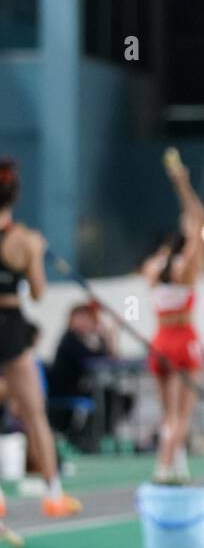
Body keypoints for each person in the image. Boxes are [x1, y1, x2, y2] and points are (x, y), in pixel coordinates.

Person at [0, 157, 82, 518]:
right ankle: (53, 494)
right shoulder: (27, 240)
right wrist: (35, 254)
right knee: (34, 412)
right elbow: (37, 293)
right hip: (12, 324)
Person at [141, 152, 204, 484]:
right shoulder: (186, 268)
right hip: (183, 340)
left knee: (167, 412)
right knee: (182, 414)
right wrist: (182, 183)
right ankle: (163, 468)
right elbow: (199, 219)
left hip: (159, 342)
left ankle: (176, 465)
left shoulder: (153, 268)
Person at [49, 302, 132, 451]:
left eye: (87, 318)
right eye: (80, 318)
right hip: (66, 389)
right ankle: (86, 437)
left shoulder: (86, 340)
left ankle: (95, 435)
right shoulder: (70, 340)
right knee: (106, 398)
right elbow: (95, 358)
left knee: (122, 398)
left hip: (81, 388)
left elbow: (108, 357)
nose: (84, 322)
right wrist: (104, 335)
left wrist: (108, 335)